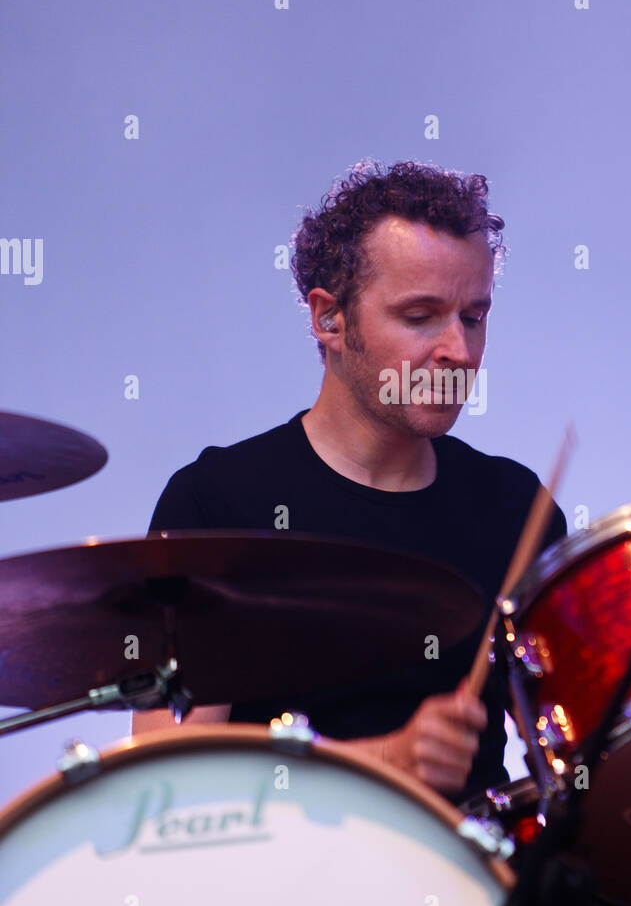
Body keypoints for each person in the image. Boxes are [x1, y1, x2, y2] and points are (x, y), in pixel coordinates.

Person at [134, 159, 567, 805]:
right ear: (329, 318)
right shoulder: (218, 501)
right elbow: (166, 778)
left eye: (473, 317)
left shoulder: (515, 508)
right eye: (421, 316)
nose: (459, 350)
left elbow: (572, 758)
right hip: (273, 884)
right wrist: (383, 760)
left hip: (471, 886)